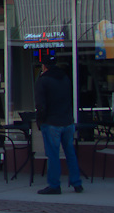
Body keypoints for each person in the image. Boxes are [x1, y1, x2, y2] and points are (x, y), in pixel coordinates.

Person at [34, 54, 84, 195]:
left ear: (44, 66)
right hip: (67, 121)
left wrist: (40, 121)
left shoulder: (42, 81)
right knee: (70, 153)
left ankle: (54, 185)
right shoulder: (65, 78)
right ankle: (76, 183)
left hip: (51, 122)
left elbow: (40, 105)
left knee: (53, 155)